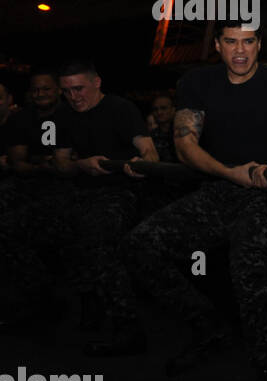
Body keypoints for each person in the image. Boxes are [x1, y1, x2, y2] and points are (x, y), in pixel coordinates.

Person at [123, 22, 267, 381]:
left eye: (248, 41)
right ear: (218, 46)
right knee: (142, 244)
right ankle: (206, 324)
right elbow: (185, 144)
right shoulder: (197, 82)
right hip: (221, 187)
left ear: (259, 44)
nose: (240, 51)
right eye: (231, 42)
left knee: (249, 267)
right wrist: (230, 173)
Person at [0, 61, 157, 350]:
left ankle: (128, 327)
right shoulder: (64, 117)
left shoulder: (120, 109)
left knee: (96, 236)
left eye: (79, 89)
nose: (74, 97)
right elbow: (62, 163)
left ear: (97, 83)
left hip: (119, 193)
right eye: (68, 91)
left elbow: (149, 150)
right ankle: (44, 300)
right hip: (79, 193)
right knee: (10, 227)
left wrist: (142, 162)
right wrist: (82, 165)